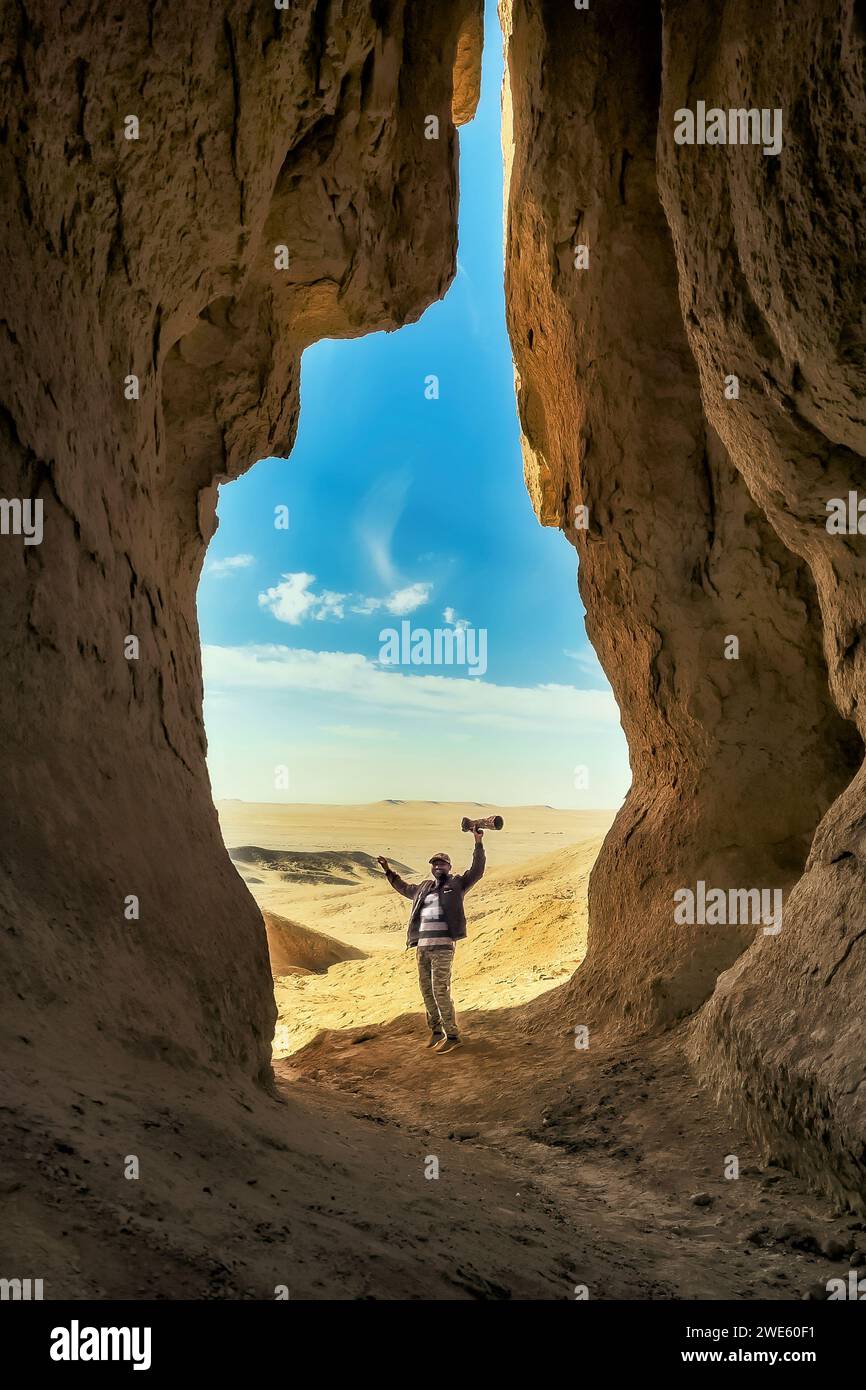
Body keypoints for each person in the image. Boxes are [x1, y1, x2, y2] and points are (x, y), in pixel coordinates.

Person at [377, 829, 486, 1053]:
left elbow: (477, 871)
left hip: (443, 948)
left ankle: (453, 1036)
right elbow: (402, 887)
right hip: (423, 948)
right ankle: (436, 1031)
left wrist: (478, 842)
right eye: (435, 864)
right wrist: (388, 871)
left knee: (440, 990)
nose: (438, 867)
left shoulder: (457, 885)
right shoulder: (423, 888)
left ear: (449, 867)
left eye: (443, 864)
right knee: (426, 989)